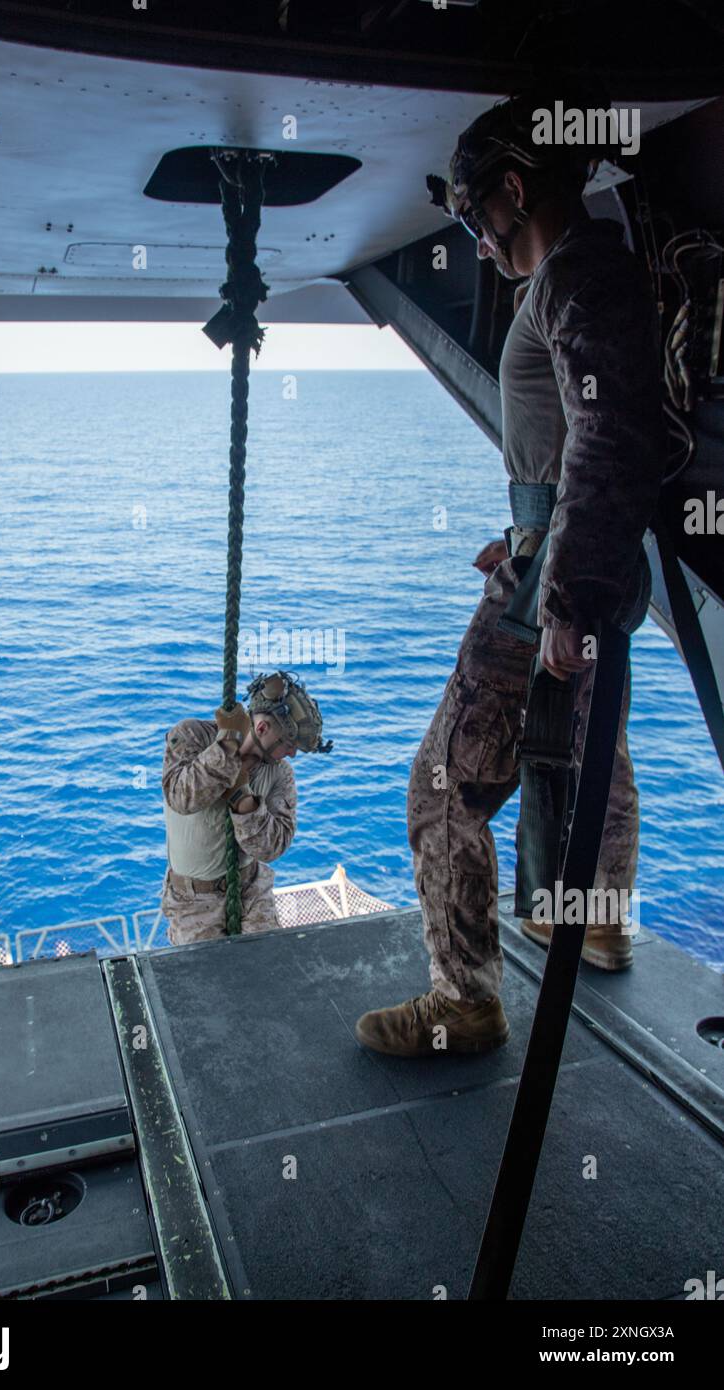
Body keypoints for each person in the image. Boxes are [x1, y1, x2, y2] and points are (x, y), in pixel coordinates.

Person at [355, 87, 666, 1058]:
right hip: (558, 562)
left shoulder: (573, 277)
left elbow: (611, 438)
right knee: (588, 746)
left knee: (442, 791)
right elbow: (579, 443)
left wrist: (560, 592)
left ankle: (462, 1001)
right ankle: (592, 917)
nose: (471, 236)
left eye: (467, 210)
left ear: (514, 189)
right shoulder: (580, 276)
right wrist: (528, 530)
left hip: (549, 586)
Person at [161, 670, 332, 943]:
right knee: (205, 980)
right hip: (193, 902)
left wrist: (244, 801)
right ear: (263, 729)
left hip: (251, 889)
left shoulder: (280, 774)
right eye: (288, 744)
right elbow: (181, 797)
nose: (292, 754)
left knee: (264, 968)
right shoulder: (192, 735)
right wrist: (226, 751)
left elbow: (272, 847)